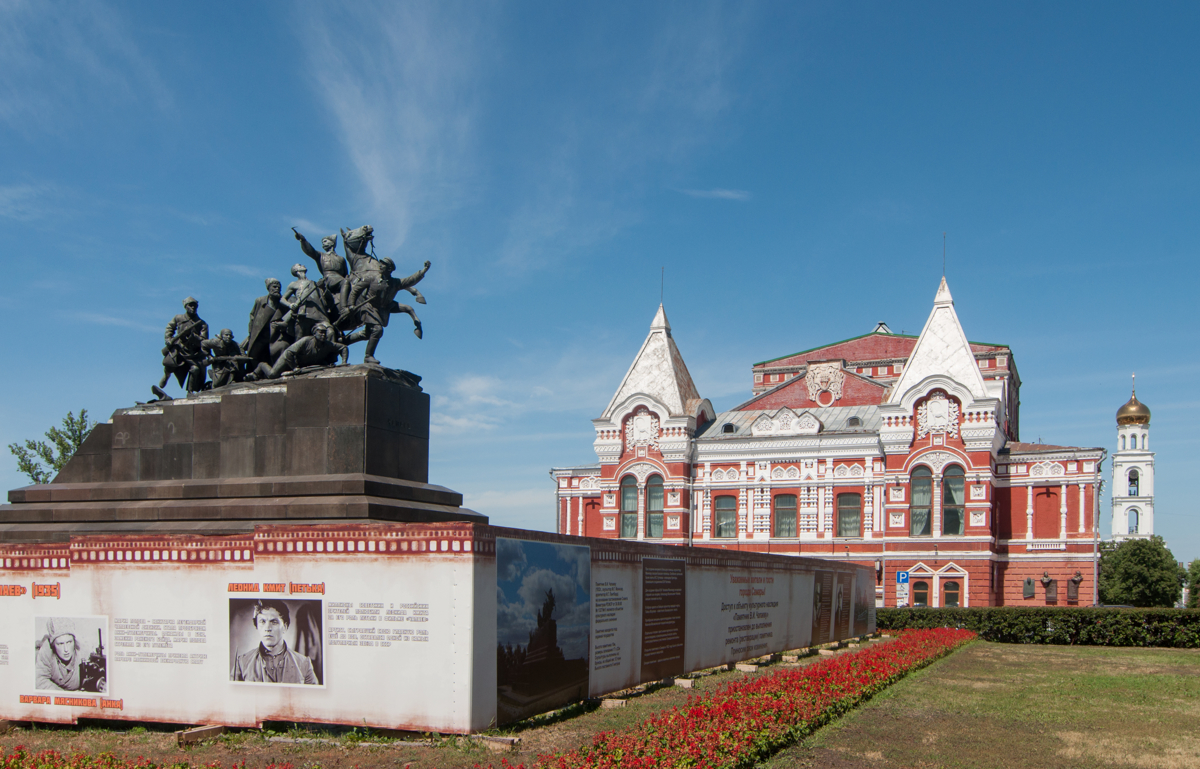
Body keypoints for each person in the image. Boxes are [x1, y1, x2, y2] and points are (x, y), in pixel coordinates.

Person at [343, 258, 430, 364]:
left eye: (383, 265)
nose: (380, 266)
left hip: (385, 307)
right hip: (370, 307)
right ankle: (368, 356)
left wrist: (424, 270)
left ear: (389, 269)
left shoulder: (395, 283)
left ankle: (343, 341)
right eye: (381, 264)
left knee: (367, 334)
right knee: (377, 330)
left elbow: (410, 280)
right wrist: (351, 304)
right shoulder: (371, 278)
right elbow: (356, 290)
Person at [231, 600, 318, 685]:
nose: (267, 628)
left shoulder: (304, 664)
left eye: (274, 622)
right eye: (262, 622)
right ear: (257, 626)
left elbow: (314, 696)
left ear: (285, 627)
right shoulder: (242, 663)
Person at [247, 322, 347, 380]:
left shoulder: (327, 344)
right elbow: (289, 353)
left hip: (301, 364)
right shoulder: (306, 340)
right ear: (314, 333)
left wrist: (344, 362)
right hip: (288, 359)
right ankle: (260, 366)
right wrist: (294, 367)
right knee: (272, 375)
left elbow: (343, 348)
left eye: (325, 333)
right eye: (321, 333)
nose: (323, 335)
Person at [157, 297, 209, 396]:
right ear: (185, 307)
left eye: (194, 305)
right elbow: (169, 328)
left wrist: (194, 337)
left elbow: (204, 341)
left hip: (193, 352)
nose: (193, 307)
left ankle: (190, 391)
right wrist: (168, 339)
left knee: (195, 370)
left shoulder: (202, 323)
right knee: (169, 364)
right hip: (179, 348)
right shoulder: (178, 318)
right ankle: (166, 376)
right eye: (190, 305)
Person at [294, 230, 349, 316]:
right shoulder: (321, 256)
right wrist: (303, 240)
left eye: (325, 241)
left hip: (339, 279)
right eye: (322, 242)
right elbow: (310, 251)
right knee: (345, 282)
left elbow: (345, 273)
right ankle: (344, 307)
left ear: (332, 243)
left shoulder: (341, 259)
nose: (323, 244)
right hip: (329, 279)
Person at [243, 278, 288, 369]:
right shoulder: (260, 300)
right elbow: (252, 316)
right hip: (259, 333)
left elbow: (289, 320)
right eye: (274, 287)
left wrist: (283, 326)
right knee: (254, 354)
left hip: (275, 335)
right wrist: (251, 331)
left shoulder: (284, 303)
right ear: (268, 288)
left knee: (273, 354)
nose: (277, 289)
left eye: (279, 287)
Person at [282, 263, 331, 339]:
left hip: (319, 314)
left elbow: (324, 299)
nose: (303, 265)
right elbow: (282, 299)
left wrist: (323, 288)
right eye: (300, 265)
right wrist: (290, 305)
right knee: (299, 338)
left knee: (330, 332)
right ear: (296, 270)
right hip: (303, 314)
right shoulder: (293, 284)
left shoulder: (314, 283)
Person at [36, 618, 83, 691]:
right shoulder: (46, 651)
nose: (66, 649)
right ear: (53, 645)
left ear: (74, 641)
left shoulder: (82, 652)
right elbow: (40, 681)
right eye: (60, 644)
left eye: (69, 642)